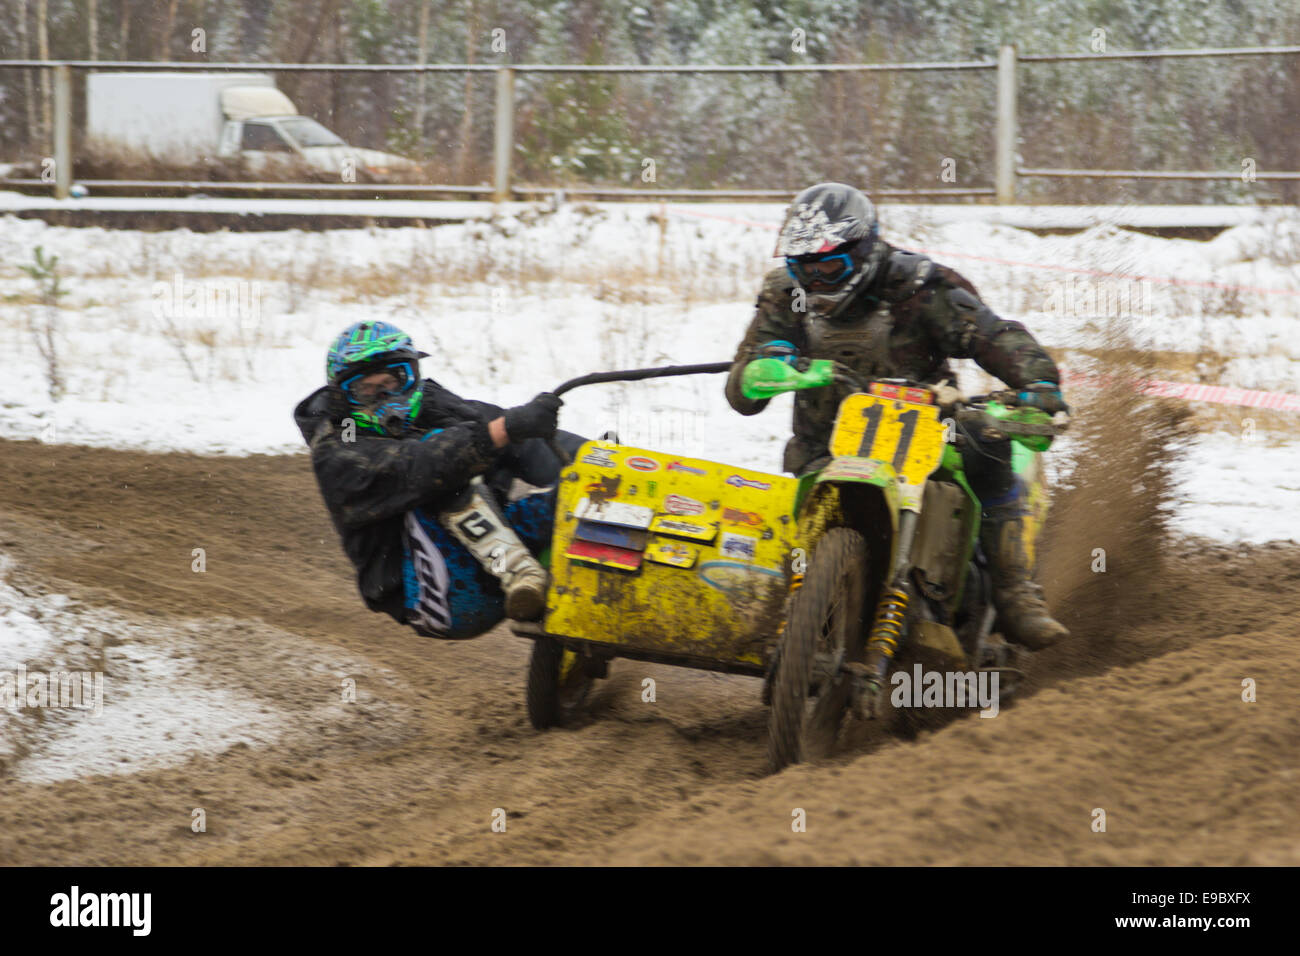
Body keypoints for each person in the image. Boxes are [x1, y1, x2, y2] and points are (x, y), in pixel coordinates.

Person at [724, 182, 1069, 649]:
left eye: (829, 265)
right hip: (824, 451)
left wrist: (1038, 383)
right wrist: (764, 370)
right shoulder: (787, 296)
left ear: (863, 249)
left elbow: (990, 335)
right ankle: (796, 621)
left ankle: (1013, 591)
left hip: (929, 439)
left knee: (989, 441)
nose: (816, 281)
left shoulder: (921, 286)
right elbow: (743, 393)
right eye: (802, 267)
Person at [294, 320, 582, 639]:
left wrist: (600, 459)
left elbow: (521, 438)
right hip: (435, 595)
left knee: (579, 493)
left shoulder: (435, 404)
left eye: (393, 380)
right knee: (446, 456)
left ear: (412, 375)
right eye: (367, 390)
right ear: (343, 398)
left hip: (493, 553)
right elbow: (417, 465)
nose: (384, 397)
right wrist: (501, 431)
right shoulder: (339, 448)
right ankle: (519, 571)